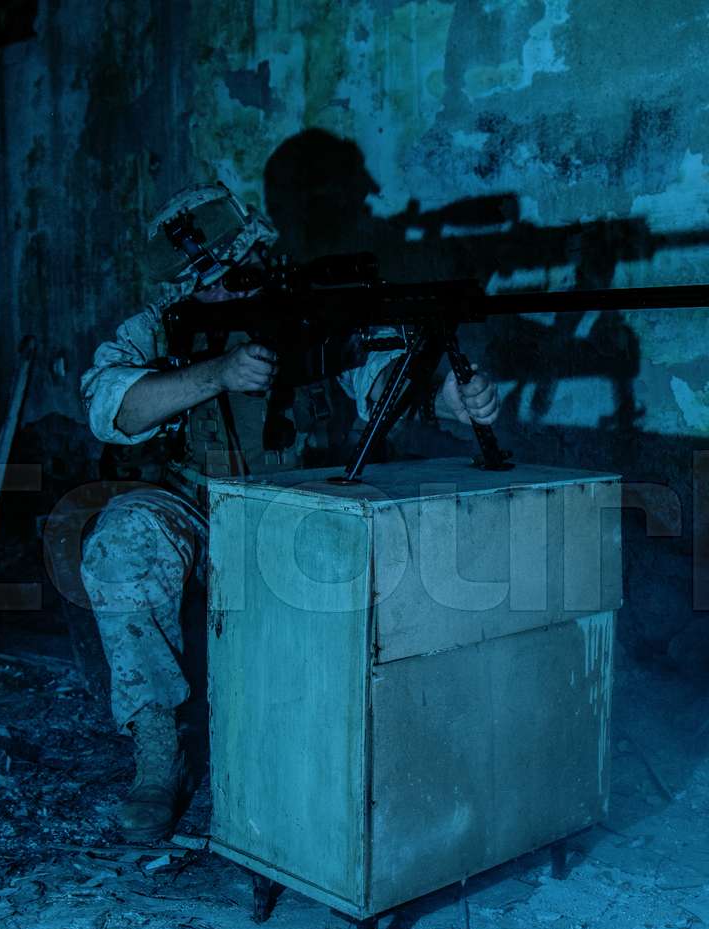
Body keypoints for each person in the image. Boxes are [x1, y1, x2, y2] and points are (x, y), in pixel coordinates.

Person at [79, 181, 502, 841]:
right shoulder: (154, 328)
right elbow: (113, 408)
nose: (227, 293)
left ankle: (372, 755)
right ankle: (159, 745)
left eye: (237, 273)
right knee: (121, 540)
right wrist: (217, 373)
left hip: (302, 508)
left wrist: (454, 401)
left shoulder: (313, 312)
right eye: (210, 283)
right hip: (198, 503)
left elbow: (385, 384)